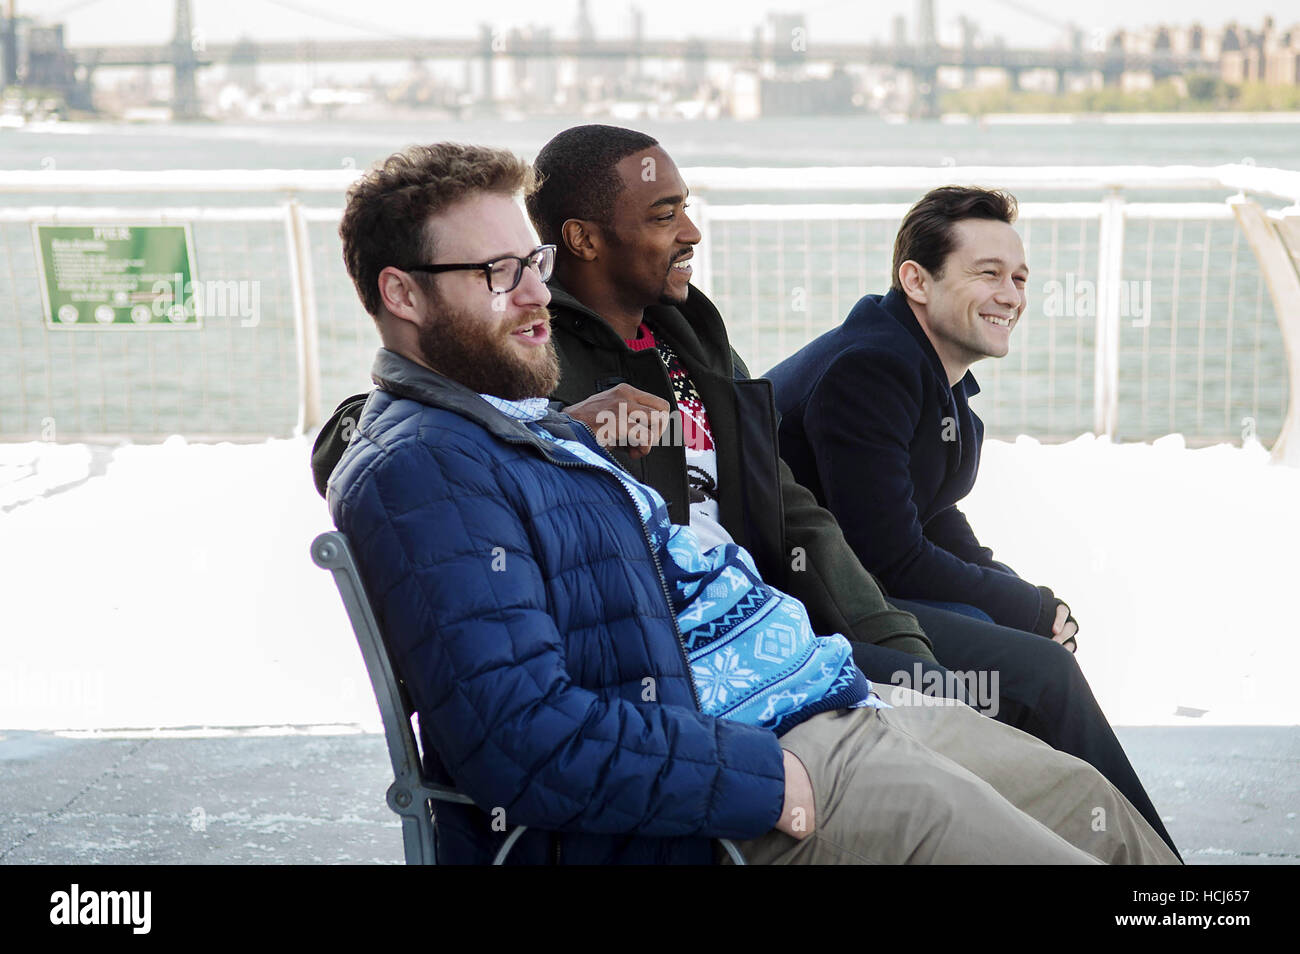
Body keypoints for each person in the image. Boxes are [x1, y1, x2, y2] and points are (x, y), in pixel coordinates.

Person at [311, 126, 1178, 857]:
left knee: (1091, 810)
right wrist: (762, 782)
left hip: (822, 687)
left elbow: (788, 499)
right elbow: (522, 735)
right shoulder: (437, 456)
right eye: (501, 273)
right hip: (765, 751)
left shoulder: (567, 392)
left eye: (530, 263)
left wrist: (883, 647)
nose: (533, 290)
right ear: (402, 293)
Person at [766, 187, 1077, 646]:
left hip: (848, 583)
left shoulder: (926, 370)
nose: (1011, 297)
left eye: (1020, 279)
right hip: (788, 604)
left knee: (1018, 636)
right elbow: (889, 558)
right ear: (916, 281)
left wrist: (1030, 600)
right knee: (1029, 662)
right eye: (989, 273)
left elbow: (932, 513)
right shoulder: (870, 369)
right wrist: (1028, 609)